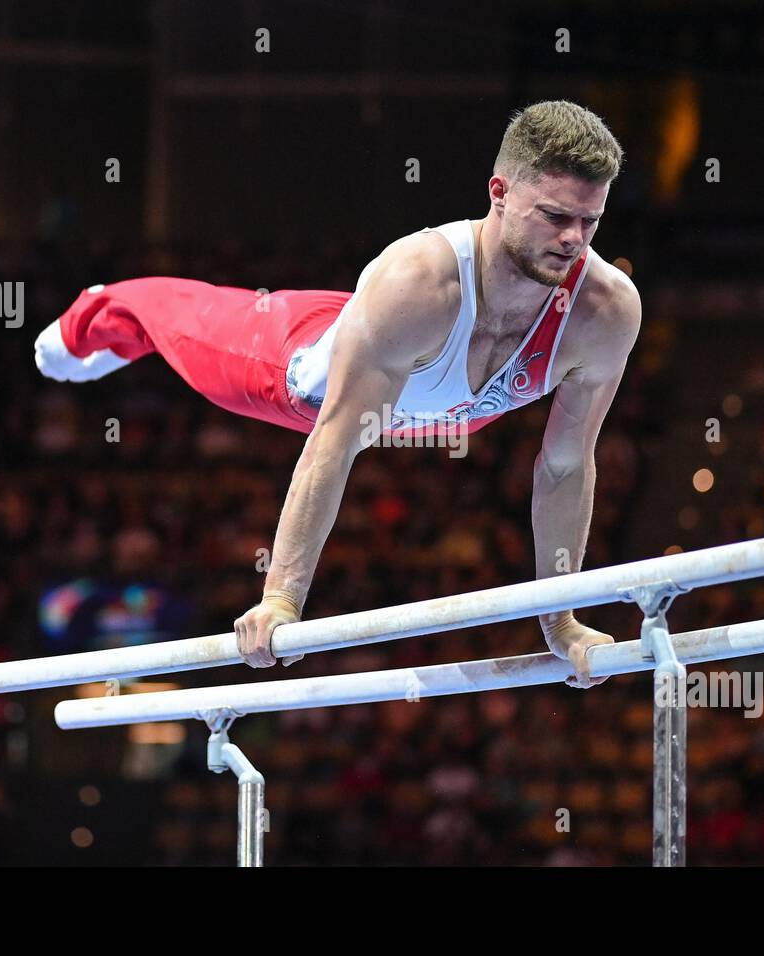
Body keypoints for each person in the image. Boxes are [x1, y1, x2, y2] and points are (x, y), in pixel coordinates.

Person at [35, 100, 641, 687]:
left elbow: (564, 465)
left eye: (590, 221)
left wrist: (560, 620)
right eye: (556, 216)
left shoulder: (605, 311)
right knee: (177, 314)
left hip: (427, 398)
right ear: (499, 193)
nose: (574, 240)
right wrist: (281, 600)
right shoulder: (418, 285)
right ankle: (90, 317)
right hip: (302, 379)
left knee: (392, 355)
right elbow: (335, 443)